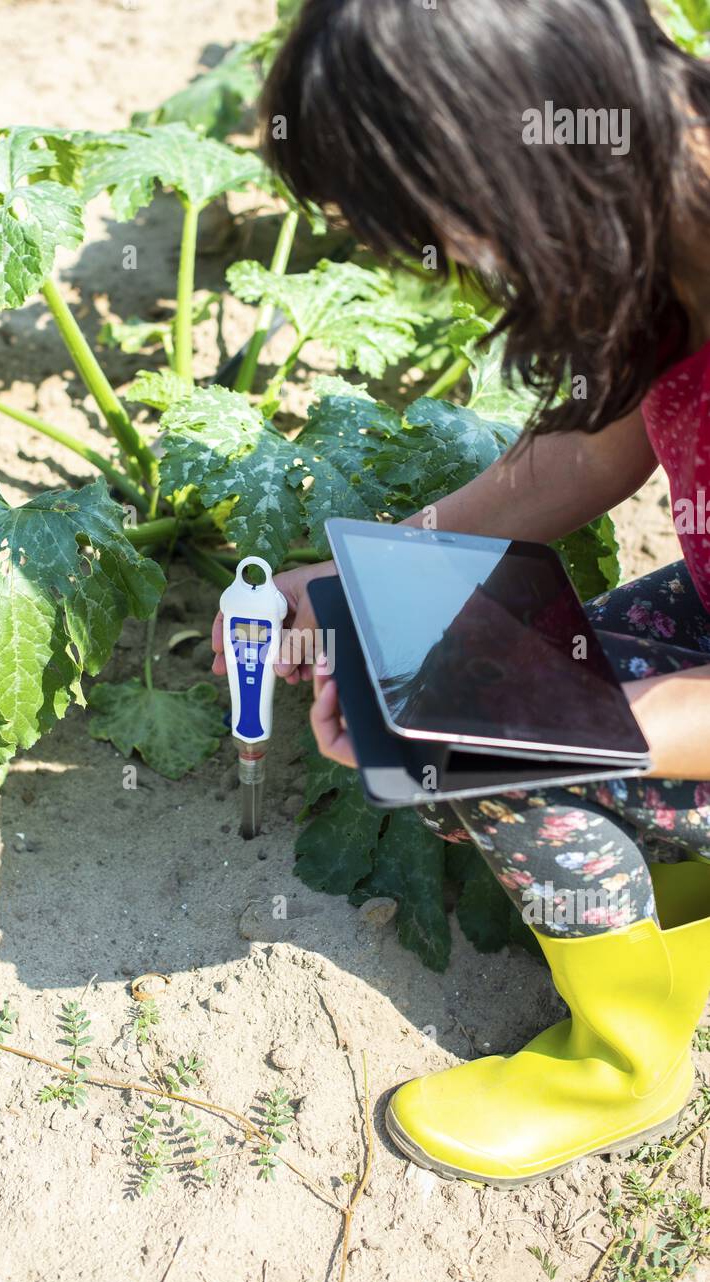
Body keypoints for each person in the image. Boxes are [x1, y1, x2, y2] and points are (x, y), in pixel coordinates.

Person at [211, 0, 710, 1186]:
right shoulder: (666, 210)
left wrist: (567, 728)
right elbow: (585, 455)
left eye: (451, 236)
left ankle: (625, 1064)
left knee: (494, 757)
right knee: (465, 687)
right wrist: (375, 571)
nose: (461, 272)